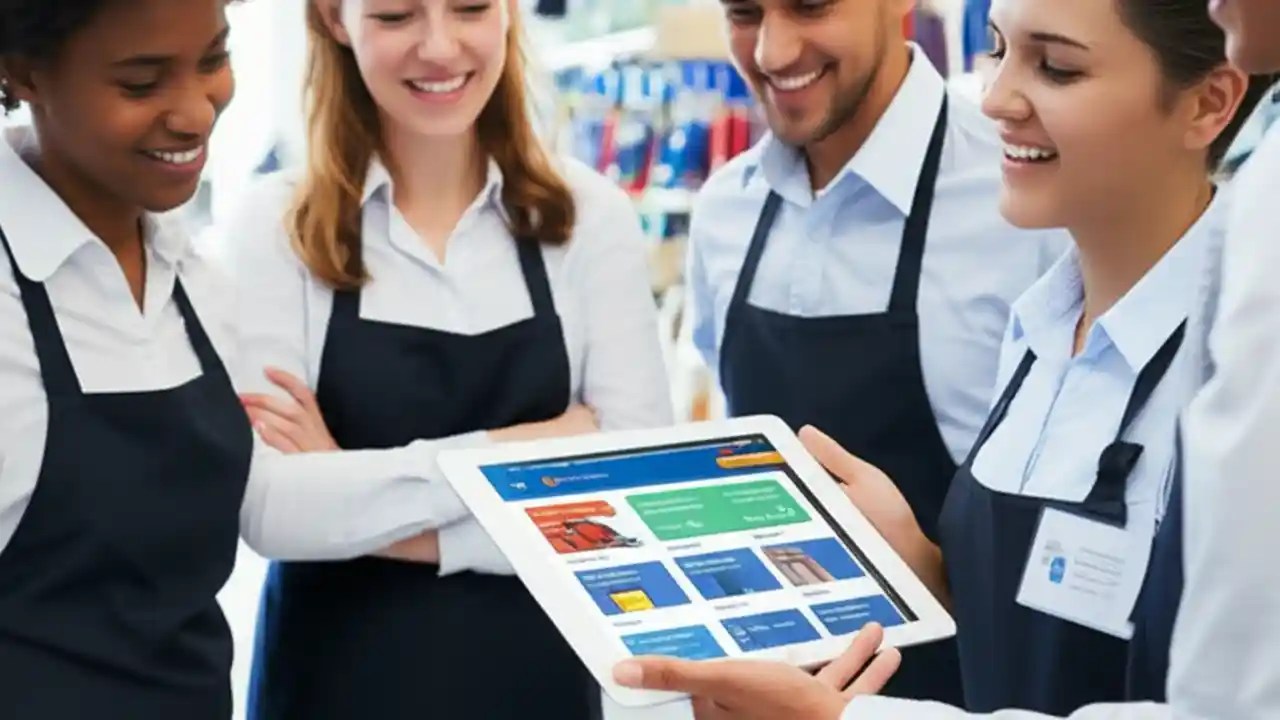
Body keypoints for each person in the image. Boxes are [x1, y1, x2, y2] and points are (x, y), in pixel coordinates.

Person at [612, 0, 1280, 718]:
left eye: (1056, 67)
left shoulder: (1237, 360)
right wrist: (925, 565)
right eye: (997, 49)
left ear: (1208, 104)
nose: (993, 99)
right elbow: (1038, 633)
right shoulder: (1043, 330)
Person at [0, 1, 501, 717]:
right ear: (21, 74)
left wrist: (518, 462)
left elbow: (269, 498)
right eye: (141, 84)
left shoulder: (195, 280)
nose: (195, 113)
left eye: (212, 61)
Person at [224, 1, 671, 719]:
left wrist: (348, 491)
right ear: (336, 20)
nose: (440, 46)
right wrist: (529, 449)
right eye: (398, 15)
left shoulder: (589, 218)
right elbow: (271, 510)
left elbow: (630, 504)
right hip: (332, 685)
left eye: (470, 7)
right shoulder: (276, 225)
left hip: (535, 685)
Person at [685, 0, 1065, 702]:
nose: (771, 51)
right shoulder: (724, 212)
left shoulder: (1029, 202)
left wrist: (930, 571)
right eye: (744, 12)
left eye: (809, 6)